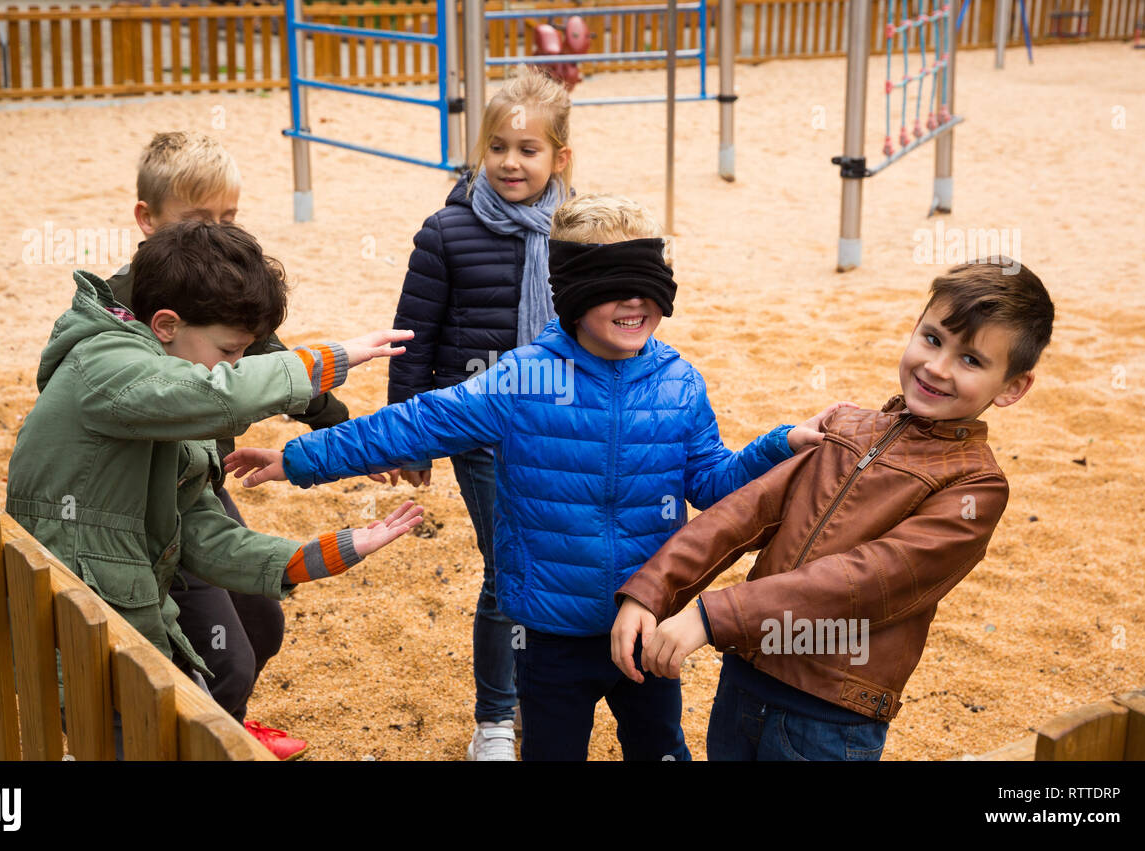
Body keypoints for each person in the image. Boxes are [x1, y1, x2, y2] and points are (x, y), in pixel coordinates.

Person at [222, 194, 846, 761]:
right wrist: (298, 460)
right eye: (613, 287)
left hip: (649, 618)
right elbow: (412, 425)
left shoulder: (679, 382)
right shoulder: (525, 379)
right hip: (548, 631)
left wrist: (780, 443)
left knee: (661, 748)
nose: (634, 301)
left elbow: (710, 482)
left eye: (647, 285)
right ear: (572, 294)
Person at [6, 221, 423, 759]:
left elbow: (199, 530)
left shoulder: (169, 399)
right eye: (230, 351)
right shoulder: (108, 369)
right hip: (80, 634)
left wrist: (314, 556)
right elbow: (219, 393)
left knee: (222, 671)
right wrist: (324, 361)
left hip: (127, 624)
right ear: (165, 325)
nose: (233, 366)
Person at [611, 258, 1054, 761]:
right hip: (745, 681)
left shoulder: (974, 487)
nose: (937, 367)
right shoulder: (847, 428)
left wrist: (712, 617)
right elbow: (744, 513)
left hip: (826, 714)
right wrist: (653, 589)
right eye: (932, 338)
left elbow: (865, 580)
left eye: (971, 360)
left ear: (1013, 387)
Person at [109, 130, 353, 755]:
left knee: (263, 624)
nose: (217, 234)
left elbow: (272, 364)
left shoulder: (221, 288)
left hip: (200, 486)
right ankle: (206, 739)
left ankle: (229, 726)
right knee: (225, 659)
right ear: (147, 220)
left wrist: (343, 427)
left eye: (230, 219)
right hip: (145, 505)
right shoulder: (120, 307)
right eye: (196, 220)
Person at [382, 69, 574, 759]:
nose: (511, 162)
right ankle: (495, 717)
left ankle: (544, 688)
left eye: (528, 148)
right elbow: (414, 339)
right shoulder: (447, 231)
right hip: (483, 426)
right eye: (498, 147)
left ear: (560, 159)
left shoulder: (579, 232)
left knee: (553, 556)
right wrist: (408, 438)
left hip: (564, 422)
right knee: (508, 564)